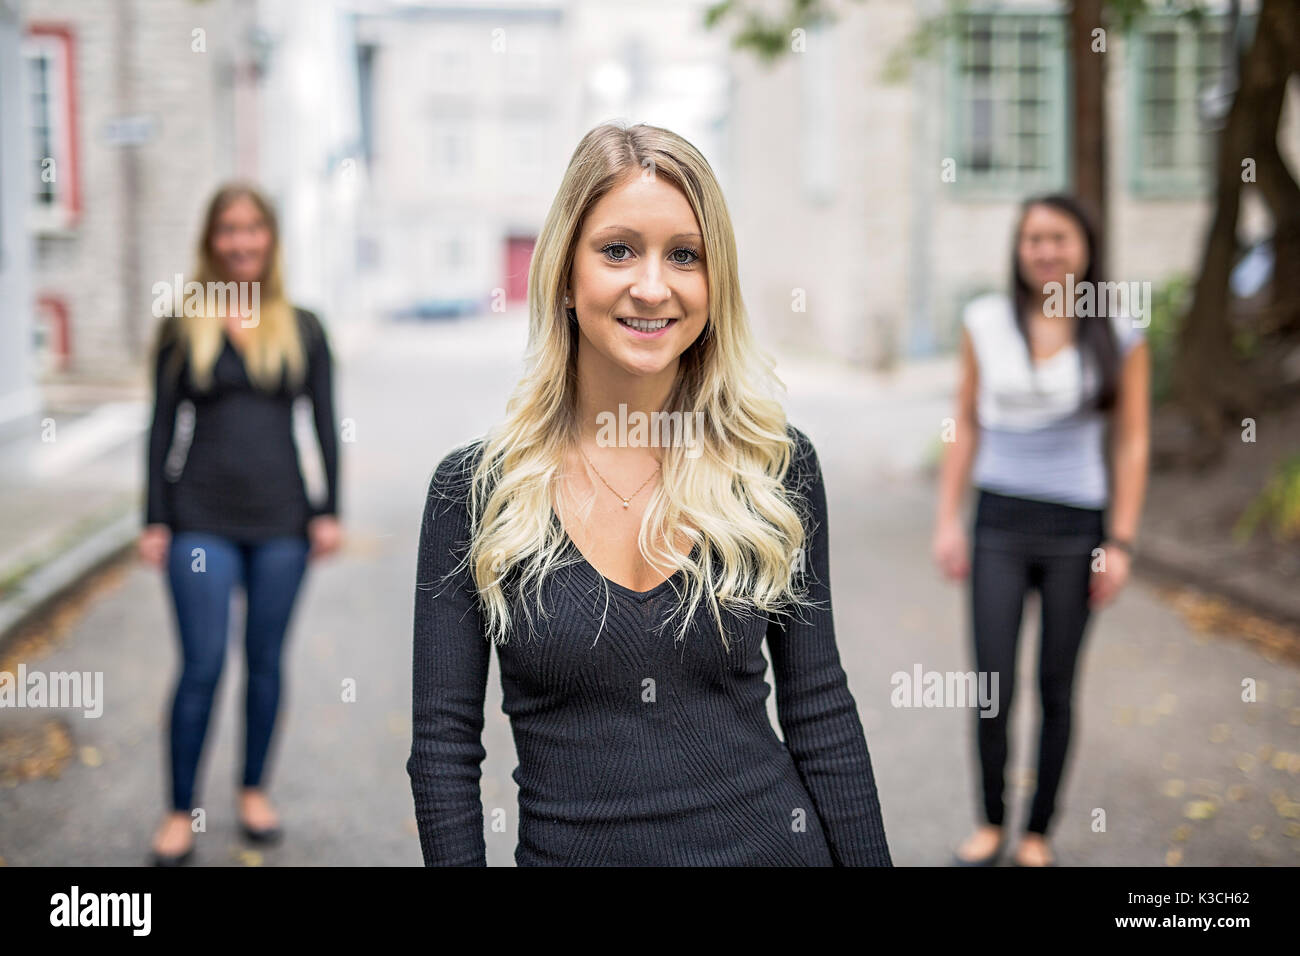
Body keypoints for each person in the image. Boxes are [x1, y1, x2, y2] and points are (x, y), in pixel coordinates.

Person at [407, 122, 891, 866]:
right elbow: (443, 751)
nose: (653, 285)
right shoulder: (474, 494)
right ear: (566, 273)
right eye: (618, 249)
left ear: (714, 282)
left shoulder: (775, 467)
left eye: (685, 255)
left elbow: (820, 709)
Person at [932, 194, 1150, 866]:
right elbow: (964, 422)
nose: (1046, 251)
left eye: (1060, 237)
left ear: (1085, 245)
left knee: (1057, 686)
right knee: (992, 685)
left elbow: (1133, 440)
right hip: (997, 522)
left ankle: (1036, 833)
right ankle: (992, 821)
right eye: (1033, 239)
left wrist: (1120, 540)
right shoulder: (986, 321)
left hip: (1077, 531)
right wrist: (948, 519)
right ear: (1018, 249)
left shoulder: (1119, 324)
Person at [139, 183, 342, 866]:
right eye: (229, 229)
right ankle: (178, 811)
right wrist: (154, 521)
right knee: (201, 664)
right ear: (211, 240)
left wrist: (328, 510)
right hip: (199, 520)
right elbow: (161, 427)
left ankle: (253, 790)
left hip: (283, 523)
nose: (242, 241)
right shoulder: (183, 323)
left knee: (264, 664)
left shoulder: (304, 325)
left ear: (270, 238)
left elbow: (323, 425)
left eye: (253, 228)